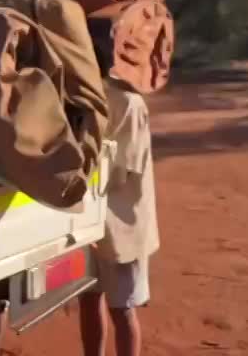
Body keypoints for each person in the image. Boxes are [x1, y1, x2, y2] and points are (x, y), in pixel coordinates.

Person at [79, 80, 159, 356]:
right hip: (87, 218)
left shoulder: (128, 101)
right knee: (89, 299)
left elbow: (124, 169)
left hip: (123, 222)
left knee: (122, 309)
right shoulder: (87, 88)